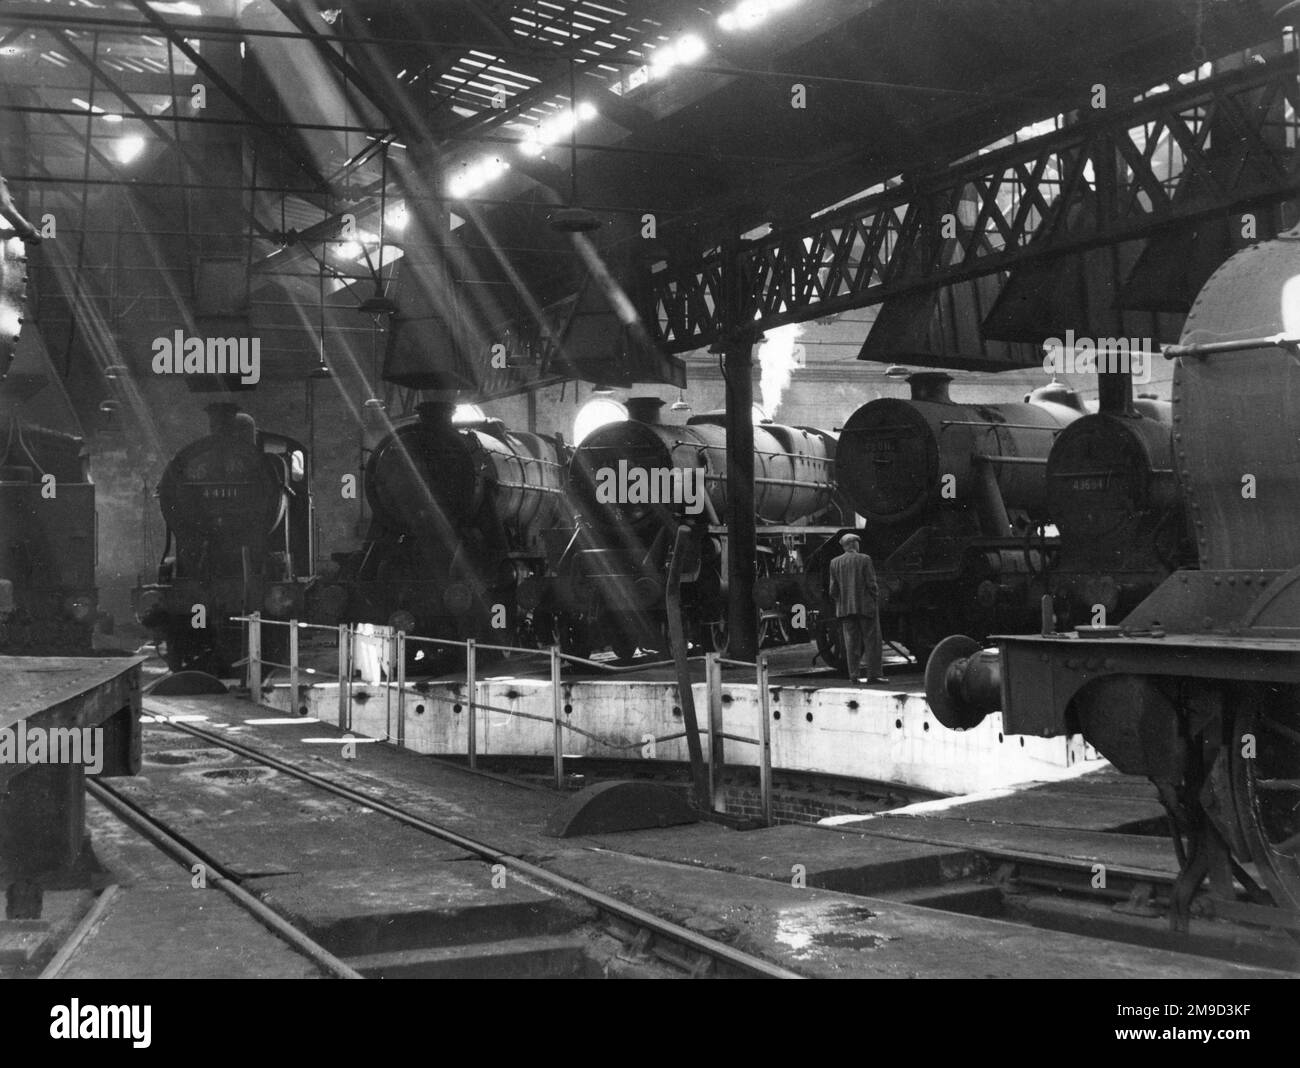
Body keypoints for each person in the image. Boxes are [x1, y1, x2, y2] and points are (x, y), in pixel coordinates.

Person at [828, 532, 884, 683]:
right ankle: (874, 675)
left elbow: (833, 590)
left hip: (845, 610)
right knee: (872, 641)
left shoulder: (835, 562)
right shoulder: (864, 559)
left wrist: (841, 602)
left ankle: (853, 676)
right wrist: (875, 598)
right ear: (854, 544)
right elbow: (871, 584)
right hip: (866, 607)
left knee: (851, 643)